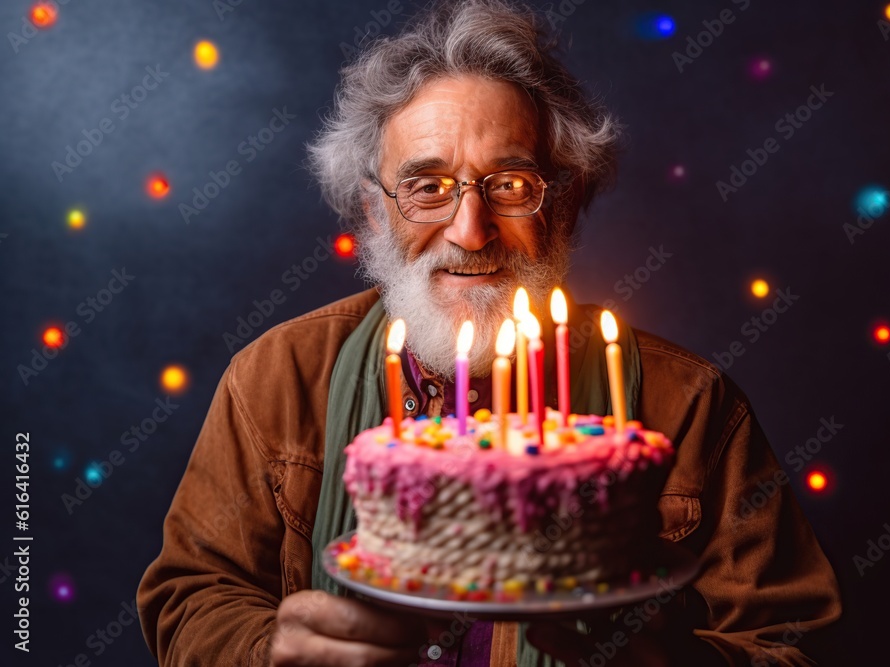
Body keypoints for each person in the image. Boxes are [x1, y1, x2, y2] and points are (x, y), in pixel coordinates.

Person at [137, 1, 841, 665]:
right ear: (375, 213)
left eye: (510, 184)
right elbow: (190, 594)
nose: (470, 231)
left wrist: (664, 659)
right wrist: (268, 649)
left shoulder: (690, 405)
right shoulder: (275, 379)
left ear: (564, 203)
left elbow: (794, 642)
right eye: (428, 187)